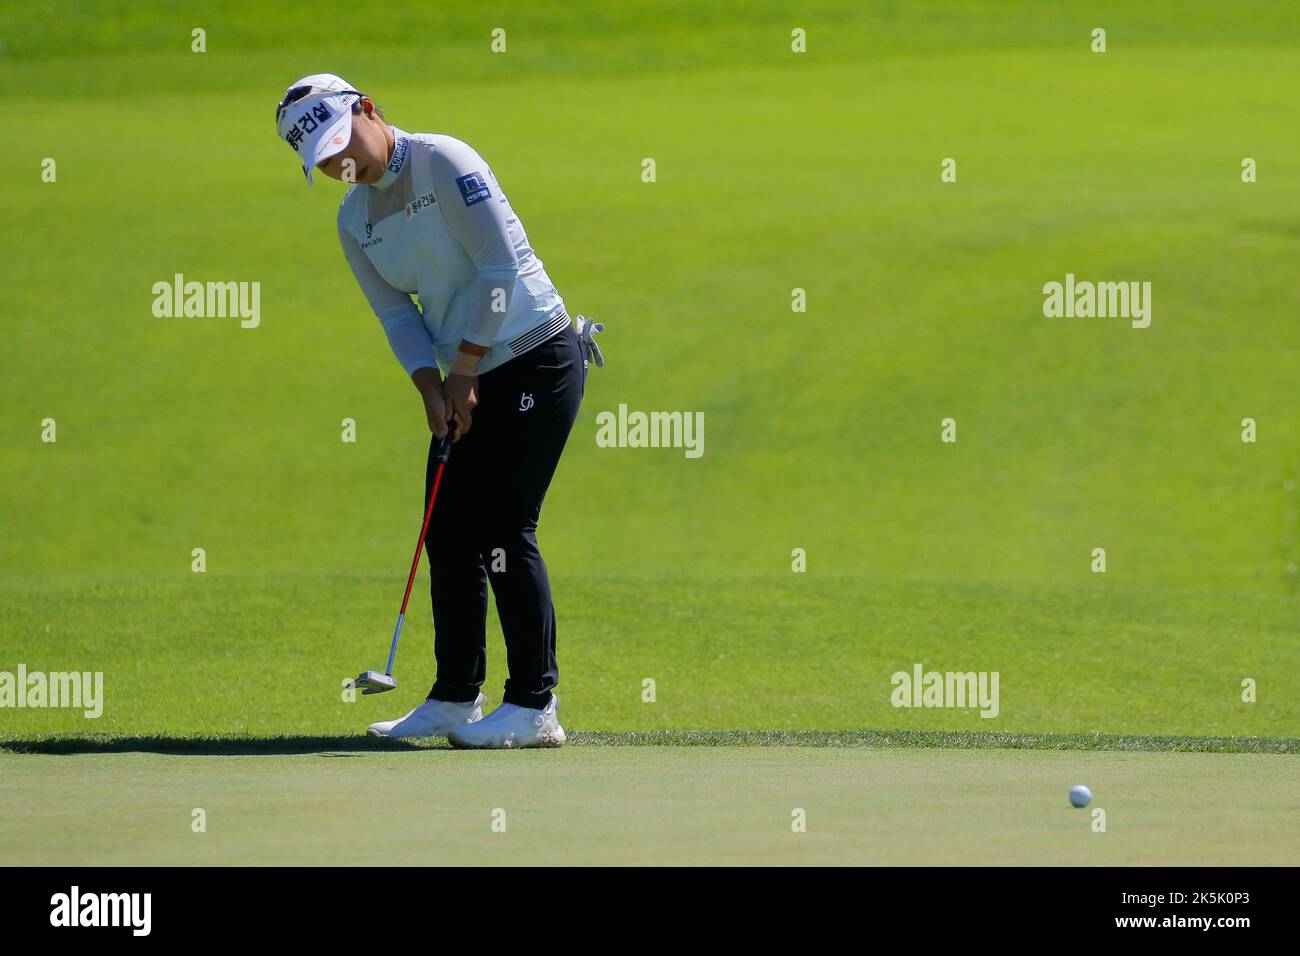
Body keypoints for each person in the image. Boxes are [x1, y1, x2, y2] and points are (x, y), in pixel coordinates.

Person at [275, 73, 603, 748]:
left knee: (505, 529)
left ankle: (535, 703)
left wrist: (464, 370)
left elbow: (498, 269)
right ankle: (456, 695)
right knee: (448, 533)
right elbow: (397, 314)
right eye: (327, 162)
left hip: (534, 354)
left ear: (367, 109)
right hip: (462, 375)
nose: (344, 166)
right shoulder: (353, 220)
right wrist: (431, 386)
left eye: (344, 144)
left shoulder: (445, 160)